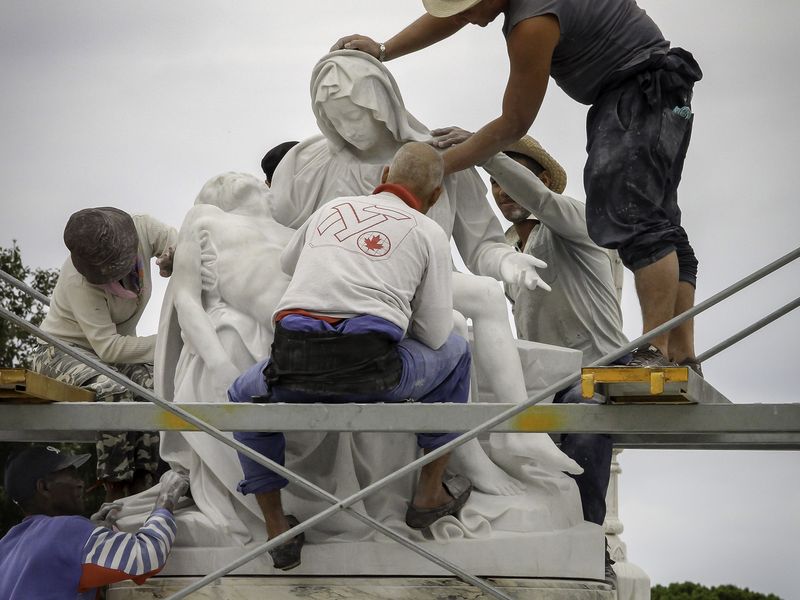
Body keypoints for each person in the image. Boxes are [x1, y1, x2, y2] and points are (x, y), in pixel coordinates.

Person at [332, 0, 704, 372]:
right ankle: (681, 354)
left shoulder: (532, 22)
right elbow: (454, 14)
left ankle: (655, 351)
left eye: (467, 10)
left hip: (641, 91)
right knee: (659, 220)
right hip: (654, 89)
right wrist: (384, 49)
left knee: (635, 216)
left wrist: (435, 168)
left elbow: (514, 123)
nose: (466, 20)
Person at [270, 50, 581, 493]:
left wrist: (507, 261)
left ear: (382, 103)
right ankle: (475, 455)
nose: (348, 129)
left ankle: (516, 434)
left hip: (424, 287)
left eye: (355, 115)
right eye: (335, 119)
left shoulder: (441, 162)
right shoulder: (315, 166)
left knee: (483, 297)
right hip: (355, 299)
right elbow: (285, 243)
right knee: (452, 324)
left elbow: (482, 245)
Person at [228, 142, 474, 571]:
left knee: (240, 396)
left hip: (292, 367)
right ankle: (429, 493)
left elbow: (288, 263)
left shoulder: (333, 209)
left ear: (384, 176)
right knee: (457, 352)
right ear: (435, 197)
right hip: (373, 374)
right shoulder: (427, 231)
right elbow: (435, 334)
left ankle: (276, 527)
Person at [482, 133, 631, 585]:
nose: (502, 191)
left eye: (511, 179)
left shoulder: (574, 219)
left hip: (594, 372)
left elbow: (542, 203)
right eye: (495, 185)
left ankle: (589, 546)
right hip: (542, 382)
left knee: (583, 425)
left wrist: (482, 151)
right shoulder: (508, 249)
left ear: (543, 180)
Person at [31, 207, 177, 501]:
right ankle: (116, 491)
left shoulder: (143, 228)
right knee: (114, 391)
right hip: (61, 352)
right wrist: (169, 341)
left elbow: (185, 245)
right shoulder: (80, 281)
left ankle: (146, 484)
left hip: (111, 352)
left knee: (155, 386)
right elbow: (109, 348)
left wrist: (174, 258)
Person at [0, 445, 189, 599]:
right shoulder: (65, 531)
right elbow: (148, 555)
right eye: (71, 474)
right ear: (44, 487)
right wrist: (166, 498)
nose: (81, 482)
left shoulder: (6, 544)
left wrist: (92, 533)